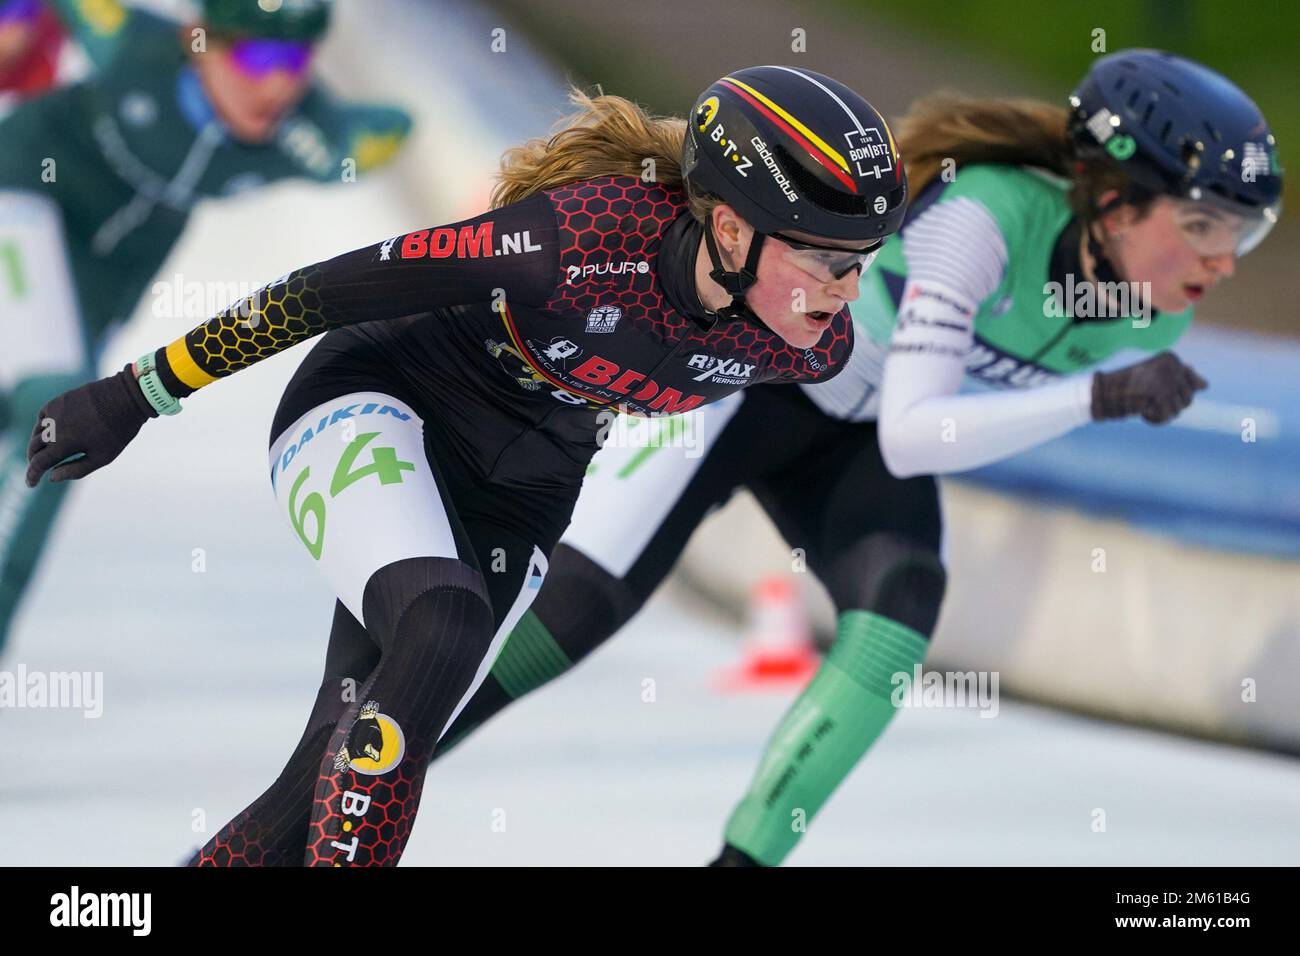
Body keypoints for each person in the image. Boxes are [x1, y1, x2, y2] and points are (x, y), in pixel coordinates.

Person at [26, 65, 909, 866]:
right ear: (729, 225)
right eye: (829, 259)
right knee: (442, 622)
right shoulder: (582, 239)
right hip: (385, 398)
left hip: (525, 483)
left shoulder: (807, 347)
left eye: (863, 260)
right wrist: (136, 393)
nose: (847, 290)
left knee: (325, 776)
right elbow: (328, 287)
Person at [426, 49, 1284, 866]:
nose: (1222, 260)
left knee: (896, 622)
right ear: (1114, 200)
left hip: (853, 436)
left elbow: (907, 425)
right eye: (1204, 224)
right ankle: (361, 787)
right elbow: (919, 433)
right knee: (570, 614)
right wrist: (1098, 399)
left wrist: (1096, 394)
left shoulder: (1156, 309)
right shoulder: (985, 217)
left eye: (1245, 236)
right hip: (746, 386)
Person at [0, 0, 411, 654]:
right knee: (53, 409)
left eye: (298, 59)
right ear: (203, 44)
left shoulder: (307, 132)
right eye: (257, 56)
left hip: (109, 276)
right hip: (22, 190)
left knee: (38, 436)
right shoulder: (136, 47)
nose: (277, 83)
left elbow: (393, 127)